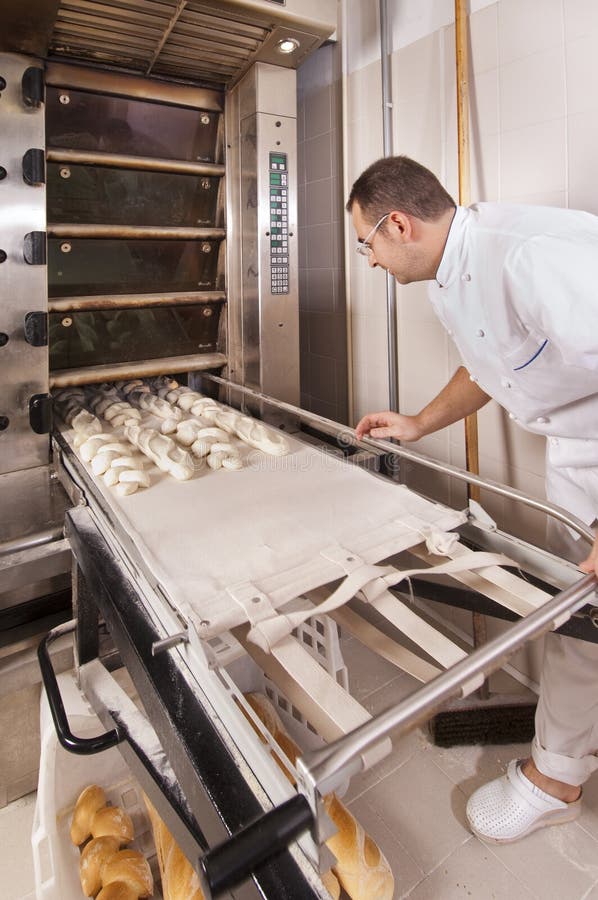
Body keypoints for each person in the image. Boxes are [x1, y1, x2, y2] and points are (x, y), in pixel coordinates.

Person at [347, 155, 598, 844]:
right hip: (578, 454)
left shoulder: (527, 256)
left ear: (399, 224)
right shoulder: (452, 271)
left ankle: (553, 779)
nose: (370, 260)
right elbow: (488, 366)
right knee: (583, 622)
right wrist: (419, 423)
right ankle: (560, 776)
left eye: (367, 244)